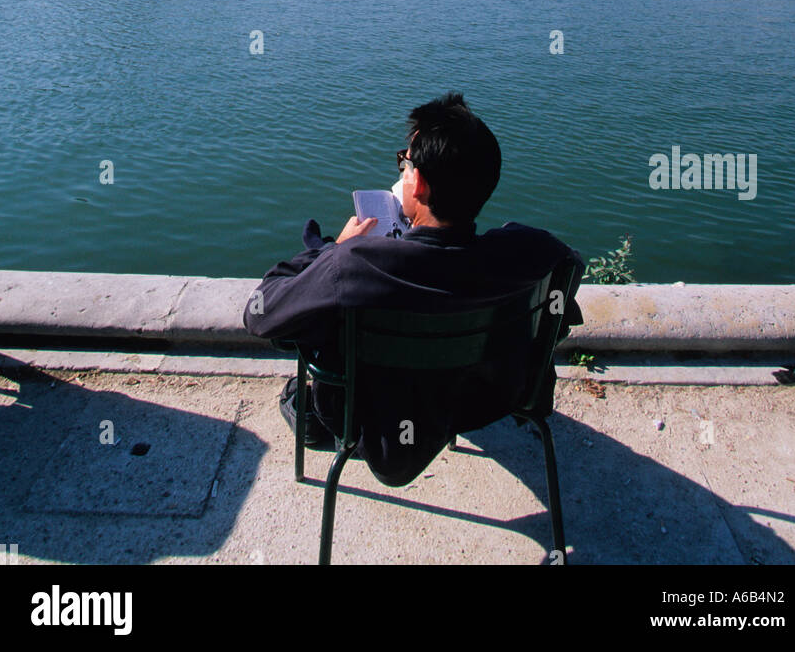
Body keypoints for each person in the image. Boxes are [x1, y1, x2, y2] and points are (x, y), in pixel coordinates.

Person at [243, 93, 583, 487]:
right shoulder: (535, 252)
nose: (403, 170)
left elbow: (258, 312)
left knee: (309, 363)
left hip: (376, 427)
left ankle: (306, 414)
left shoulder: (354, 265)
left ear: (418, 182)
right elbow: (570, 267)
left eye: (405, 163)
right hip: (484, 402)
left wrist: (331, 251)